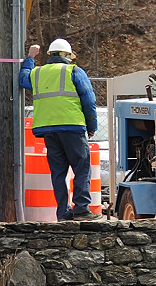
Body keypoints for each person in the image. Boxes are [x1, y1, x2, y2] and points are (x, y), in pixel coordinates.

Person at [20, 39, 99, 221]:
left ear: (50, 56)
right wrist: (92, 127)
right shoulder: (74, 71)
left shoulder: (37, 73)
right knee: (82, 167)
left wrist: (30, 58)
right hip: (72, 128)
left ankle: (63, 212)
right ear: (67, 56)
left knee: (58, 172)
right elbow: (89, 101)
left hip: (48, 130)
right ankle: (80, 208)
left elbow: (22, 79)